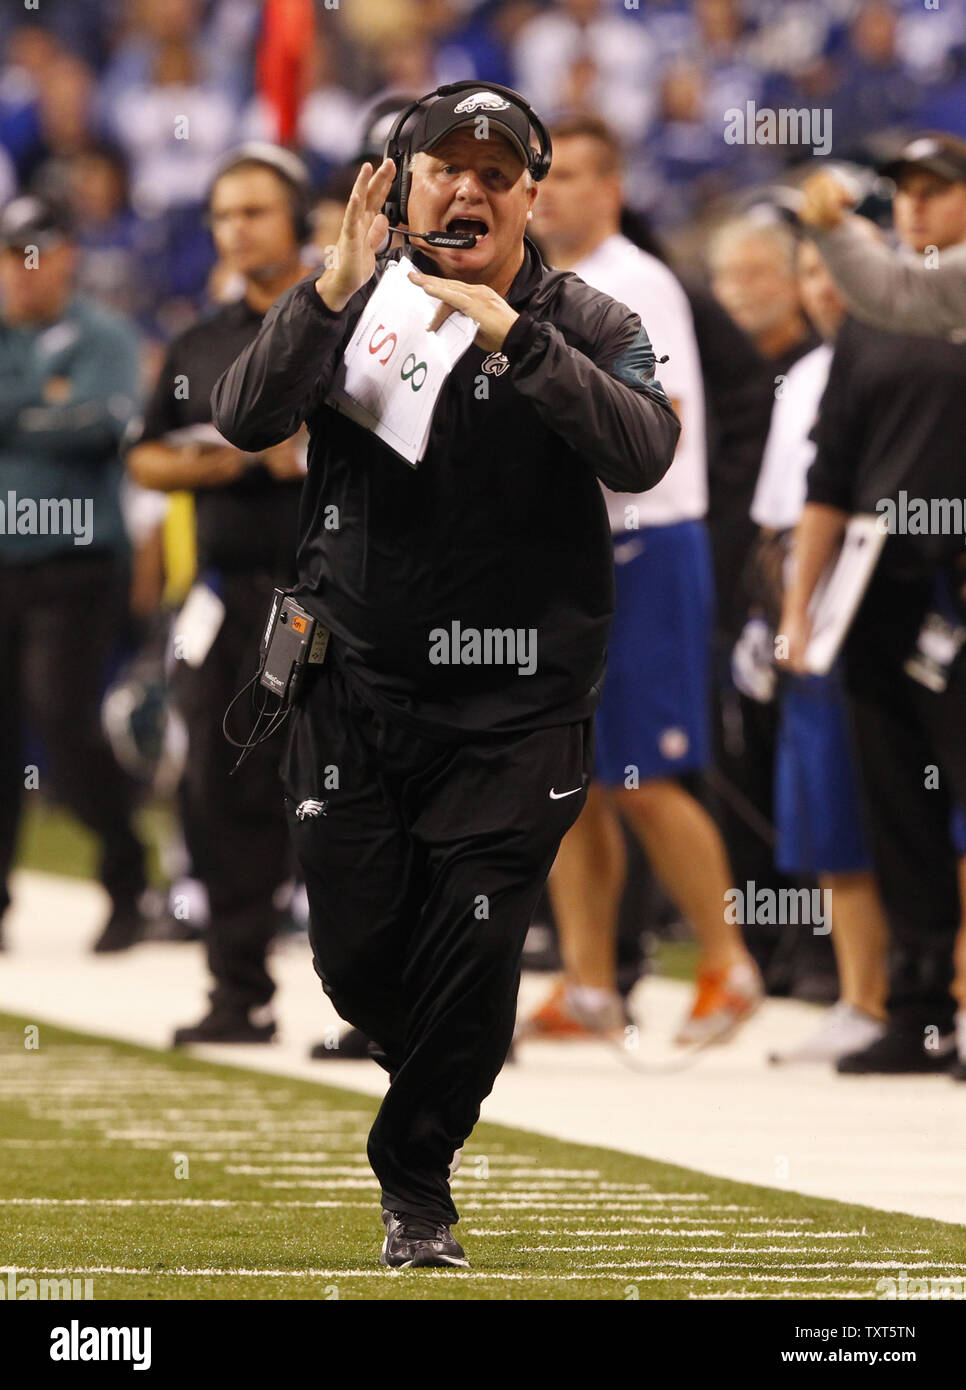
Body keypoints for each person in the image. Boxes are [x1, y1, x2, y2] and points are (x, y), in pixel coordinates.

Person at [212, 83, 680, 1269]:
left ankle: (417, 1189)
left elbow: (647, 445)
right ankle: (430, 1060)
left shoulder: (586, 314)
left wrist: (514, 340)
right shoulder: (344, 301)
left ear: (531, 191)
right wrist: (326, 289)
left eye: (493, 170)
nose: (466, 187)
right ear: (400, 182)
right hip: (353, 689)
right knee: (357, 956)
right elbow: (243, 418)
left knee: (474, 951)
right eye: (443, 167)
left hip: (515, 707)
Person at [525, 114, 762, 1046]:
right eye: (547, 176)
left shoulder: (637, 283)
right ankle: (590, 984)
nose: (556, 192)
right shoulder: (540, 286)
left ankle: (728, 961)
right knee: (568, 777)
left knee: (645, 776)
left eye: (579, 174)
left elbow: (656, 418)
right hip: (576, 549)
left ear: (613, 188)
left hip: (646, 544)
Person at [779, 142, 966, 1074]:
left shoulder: (943, 298)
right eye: (908, 196)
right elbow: (832, 473)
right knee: (899, 805)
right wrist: (799, 606)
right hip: (878, 588)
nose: (921, 210)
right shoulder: (877, 312)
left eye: (941, 193)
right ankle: (920, 1007)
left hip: (957, 583)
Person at [126, 144, 311, 1046]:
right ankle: (238, 989)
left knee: (327, 788)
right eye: (225, 216)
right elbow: (146, 453)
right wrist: (237, 461)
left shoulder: (343, 325)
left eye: (256, 213)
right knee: (215, 783)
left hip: (318, 600)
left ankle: (378, 1003)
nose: (238, 230)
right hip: (224, 594)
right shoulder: (202, 340)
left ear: (299, 223)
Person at [751, 230, 890, 1065]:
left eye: (841, 267)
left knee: (923, 815)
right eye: (811, 269)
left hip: (891, 605)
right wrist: (780, 614)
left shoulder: (913, 356)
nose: (826, 285)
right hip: (817, 619)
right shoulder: (802, 376)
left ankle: (934, 994)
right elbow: (779, 521)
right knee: (826, 810)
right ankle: (860, 994)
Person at [0, 193, 149, 952]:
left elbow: (105, 422)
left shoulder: (105, 335)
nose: (22, 271)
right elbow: (71, 418)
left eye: (36, 252)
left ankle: (127, 873)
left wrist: (22, 415)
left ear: (67, 258)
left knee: (61, 718)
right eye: (10, 253)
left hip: (76, 563)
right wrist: (48, 408)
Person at [798, 135, 966, 340]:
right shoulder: (862, 311)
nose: (915, 205)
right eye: (904, 189)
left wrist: (834, 229)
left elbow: (898, 289)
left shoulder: (901, 287)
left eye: (933, 190)